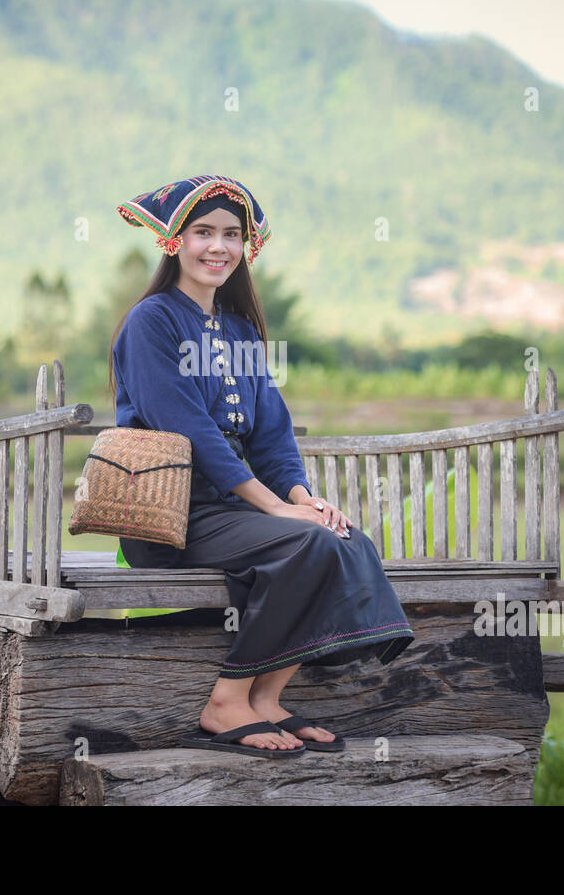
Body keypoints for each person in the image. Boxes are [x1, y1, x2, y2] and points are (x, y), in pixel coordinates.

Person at [110, 174, 415, 758]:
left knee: (342, 537)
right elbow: (191, 432)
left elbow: (272, 434)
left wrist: (300, 498)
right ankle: (226, 699)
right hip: (172, 515)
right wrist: (275, 508)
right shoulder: (152, 321)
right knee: (306, 545)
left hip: (234, 512)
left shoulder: (242, 332)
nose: (217, 246)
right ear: (173, 240)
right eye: (203, 232)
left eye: (231, 234)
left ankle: (268, 696)